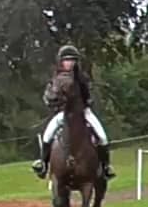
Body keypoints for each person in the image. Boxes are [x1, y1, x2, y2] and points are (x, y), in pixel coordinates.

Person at [31, 44, 114, 179]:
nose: (69, 63)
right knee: (47, 135)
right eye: (67, 60)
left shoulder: (82, 78)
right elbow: (48, 96)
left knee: (103, 137)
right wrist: (54, 101)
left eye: (72, 60)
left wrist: (86, 102)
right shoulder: (55, 79)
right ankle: (43, 164)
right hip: (63, 113)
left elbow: (89, 95)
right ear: (61, 61)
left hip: (83, 113)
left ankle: (106, 167)